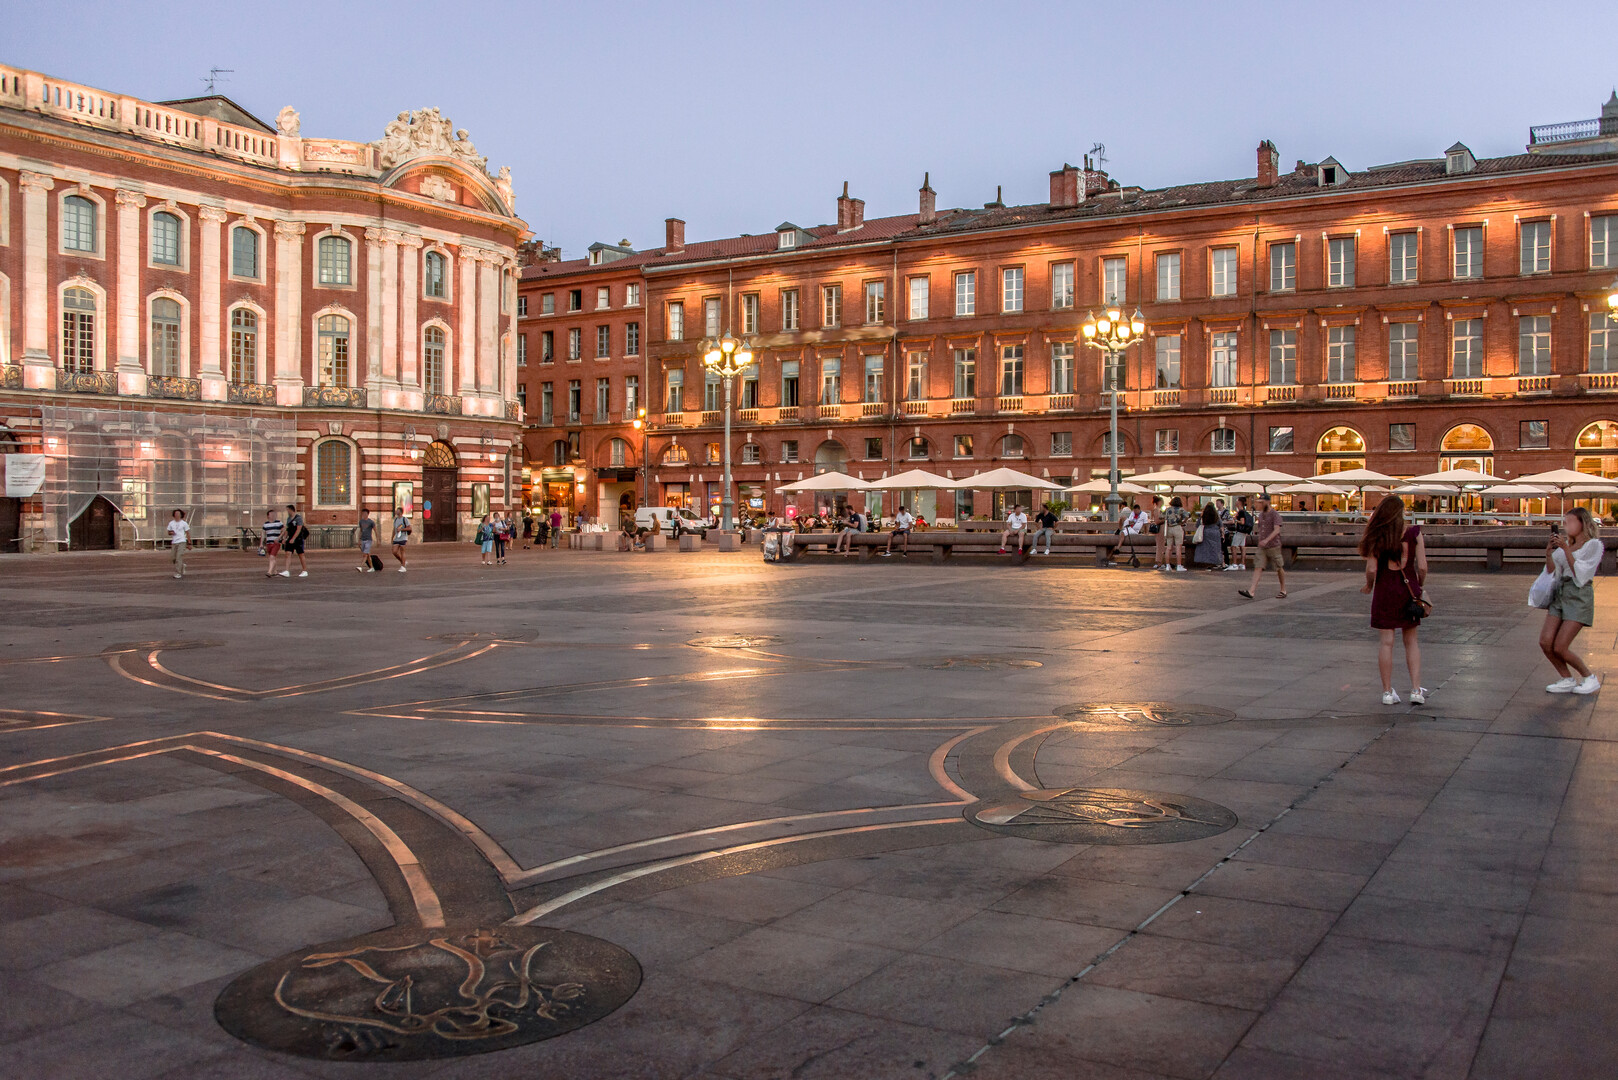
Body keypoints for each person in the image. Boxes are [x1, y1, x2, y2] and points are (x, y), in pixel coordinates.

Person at [1358, 495, 1428, 705]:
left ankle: (1387, 693)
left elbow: (1371, 569)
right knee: (1411, 641)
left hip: (1385, 591)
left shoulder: (1378, 535)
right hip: (1408, 592)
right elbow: (1422, 567)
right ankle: (1416, 690)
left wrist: (1369, 585)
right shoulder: (1414, 533)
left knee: (1386, 643)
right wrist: (1419, 584)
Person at [1540, 507, 1603, 695]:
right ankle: (1566, 678)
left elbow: (1581, 573)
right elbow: (1552, 571)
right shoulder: (1565, 545)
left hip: (1579, 595)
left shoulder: (1593, 545)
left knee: (1560, 646)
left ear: (1583, 523)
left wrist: (1566, 549)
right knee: (1545, 641)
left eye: (1570, 522)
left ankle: (1589, 677)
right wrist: (1549, 554)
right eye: (1565, 523)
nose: (1566, 526)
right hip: (1561, 592)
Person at [1240, 494, 1286, 600]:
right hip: (1262, 546)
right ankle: (1251, 591)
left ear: (1267, 502)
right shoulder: (1261, 515)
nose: (1259, 504)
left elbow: (1277, 530)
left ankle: (1283, 589)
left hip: (1273, 546)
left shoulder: (1275, 514)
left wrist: (1267, 540)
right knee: (1258, 566)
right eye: (1259, 502)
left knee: (1279, 567)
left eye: (1261, 502)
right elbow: (1261, 529)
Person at [278, 504, 309, 578]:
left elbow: (299, 529)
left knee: (301, 554)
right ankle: (287, 570)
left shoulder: (298, 518)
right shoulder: (288, 518)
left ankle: (304, 570)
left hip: (298, 539)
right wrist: (284, 538)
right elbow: (287, 529)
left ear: (291, 510)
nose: (287, 511)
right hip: (290, 538)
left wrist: (294, 538)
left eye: (287, 510)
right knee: (288, 553)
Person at [1192, 501, 1224, 571]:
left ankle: (1207, 564)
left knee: (1206, 549)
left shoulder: (1203, 516)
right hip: (1215, 533)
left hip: (1206, 532)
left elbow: (1197, 525)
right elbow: (1221, 525)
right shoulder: (1216, 516)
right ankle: (1215, 562)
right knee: (1215, 548)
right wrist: (1222, 534)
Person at [1118, 501, 1148, 567]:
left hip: (1134, 530)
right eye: (1134, 511)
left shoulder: (1144, 515)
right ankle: (1119, 529)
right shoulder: (1132, 513)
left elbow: (1146, 524)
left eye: (1136, 511)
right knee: (1122, 518)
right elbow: (1130, 521)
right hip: (1129, 527)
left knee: (1123, 533)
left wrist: (1146, 532)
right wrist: (1131, 522)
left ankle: (1118, 547)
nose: (1135, 512)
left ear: (1138, 509)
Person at [1163, 497, 1189, 572]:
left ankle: (1167, 565)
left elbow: (1162, 516)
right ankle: (1179, 565)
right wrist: (1183, 521)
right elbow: (1187, 516)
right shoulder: (1181, 509)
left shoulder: (1168, 509)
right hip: (1177, 527)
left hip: (1169, 528)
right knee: (1178, 547)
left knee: (1168, 547)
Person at [1229, 496, 1253, 571]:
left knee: (1233, 546)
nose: (1235, 502)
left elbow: (1242, 522)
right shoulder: (1244, 511)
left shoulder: (1241, 512)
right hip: (1244, 532)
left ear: (1239, 502)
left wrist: (1235, 520)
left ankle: (1234, 564)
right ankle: (1242, 564)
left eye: (1237, 501)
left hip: (1240, 531)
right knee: (1242, 547)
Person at [166, 509, 189, 579]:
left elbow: (187, 533)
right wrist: (171, 532)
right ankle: (182, 565)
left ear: (181, 515)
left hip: (182, 541)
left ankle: (178, 573)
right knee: (173, 558)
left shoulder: (184, 523)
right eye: (176, 514)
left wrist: (189, 543)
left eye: (178, 514)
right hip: (174, 542)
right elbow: (168, 532)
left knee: (179, 557)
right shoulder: (171, 523)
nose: (177, 515)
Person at [261, 508, 283, 578]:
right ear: (268, 516)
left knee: (272, 557)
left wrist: (279, 538)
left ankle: (269, 571)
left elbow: (284, 531)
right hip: (268, 543)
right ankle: (275, 571)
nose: (273, 515)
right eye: (271, 514)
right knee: (273, 558)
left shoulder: (279, 523)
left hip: (276, 543)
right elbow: (263, 534)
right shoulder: (266, 524)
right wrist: (261, 543)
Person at [354, 508, 378, 572]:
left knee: (365, 554)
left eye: (365, 513)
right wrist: (359, 540)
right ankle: (371, 567)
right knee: (367, 554)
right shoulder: (361, 522)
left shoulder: (371, 522)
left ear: (368, 514)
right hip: (363, 539)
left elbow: (375, 530)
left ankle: (360, 566)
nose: (364, 515)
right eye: (363, 513)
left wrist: (377, 540)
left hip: (368, 540)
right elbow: (360, 531)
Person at [391, 505, 411, 572]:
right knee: (394, 551)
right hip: (397, 538)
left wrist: (402, 529)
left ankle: (403, 567)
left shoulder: (405, 519)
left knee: (402, 551)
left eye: (398, 510)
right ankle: (403, 561)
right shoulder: (395, 520)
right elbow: (394, 529)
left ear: (401, 512)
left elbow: (409, 528)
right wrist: (392, 537)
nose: (396, 511)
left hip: (403, 537)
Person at [1149, 495, 1165, 568]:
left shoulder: (1158, 509)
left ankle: (1159, 561)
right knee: (1160, 546)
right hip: (1160, 529)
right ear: (1159, 502)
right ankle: (1159, 561)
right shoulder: (1157, 510)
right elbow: (1157, 521)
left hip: (1161, 529)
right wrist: (1165, 519)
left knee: (1160, 545)